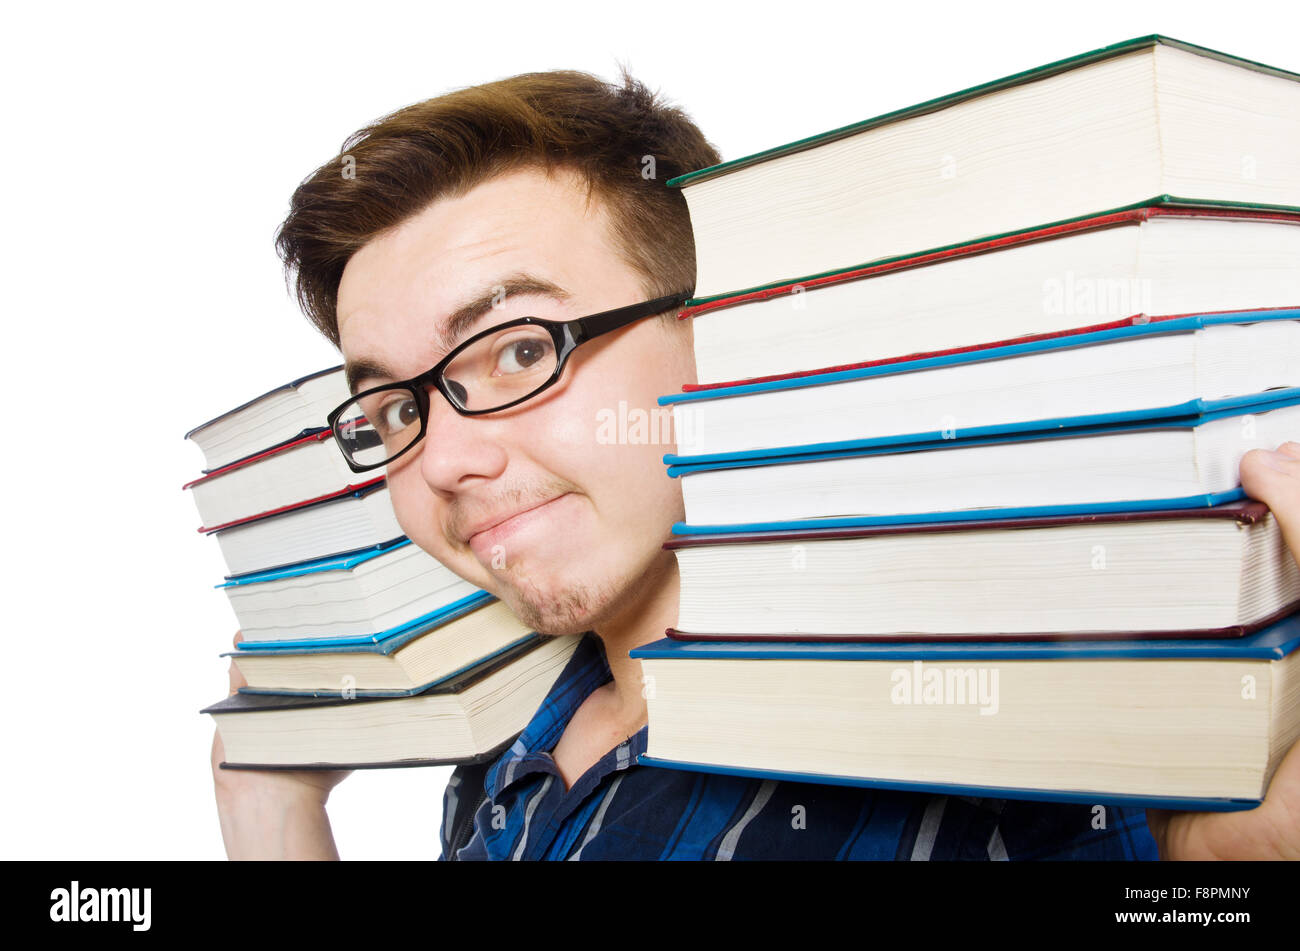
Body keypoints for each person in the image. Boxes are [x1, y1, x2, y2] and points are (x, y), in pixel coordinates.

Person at [212, 66, 1300, 860]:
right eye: (389, 407)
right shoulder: (496, 770)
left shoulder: (1009, 726)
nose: (443, 458)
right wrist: (273, 815)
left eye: (516, 350)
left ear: (721, 333)